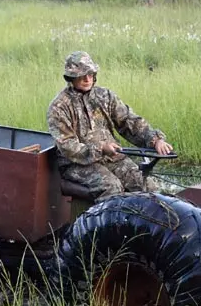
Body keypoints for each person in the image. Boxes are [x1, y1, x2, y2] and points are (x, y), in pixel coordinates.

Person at [47, 51, 173, 202]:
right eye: (82, 75)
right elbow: (67, 146)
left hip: (113, 158)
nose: (87, 79)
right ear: (71, 77)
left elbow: (129, 121)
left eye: (90, 73)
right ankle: (105, 225)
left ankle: (146, 224)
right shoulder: (59, 107)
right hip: (77, 164)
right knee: (112, 188)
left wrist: (155, 140)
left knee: (148, 187)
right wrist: (101, 149)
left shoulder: (105, 96)